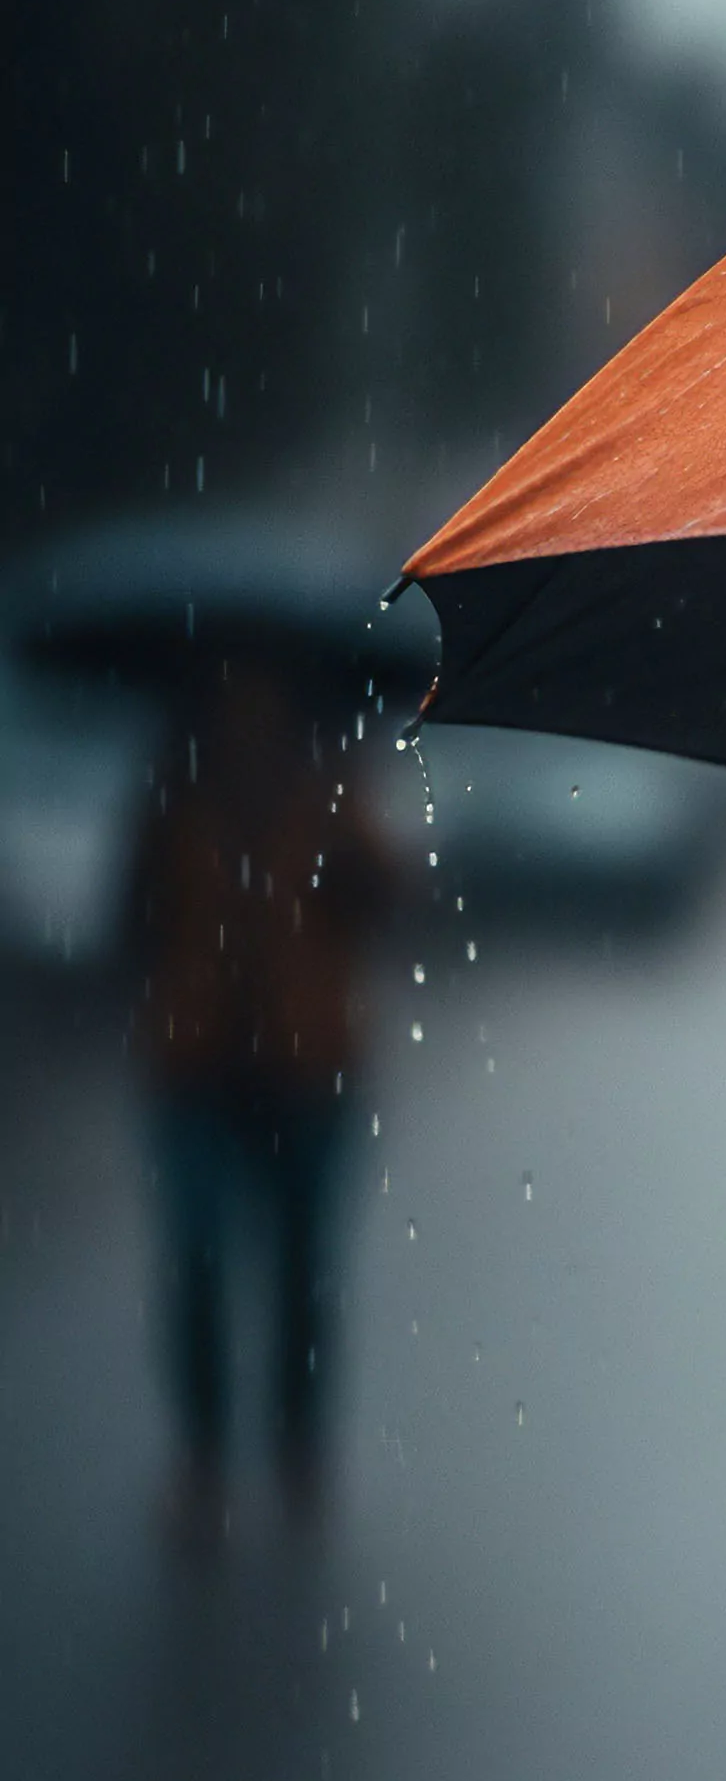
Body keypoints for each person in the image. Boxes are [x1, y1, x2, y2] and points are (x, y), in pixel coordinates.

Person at [129, 662, 393, 1545]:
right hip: (197, 1067)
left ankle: (297, 1446)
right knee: (199, 1262)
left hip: (307, 1066)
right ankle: (204, 1458)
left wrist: (352, 855)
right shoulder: (171, 791)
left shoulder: (334, 785)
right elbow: (129, 915)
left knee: (302, 1273)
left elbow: (389, 898)